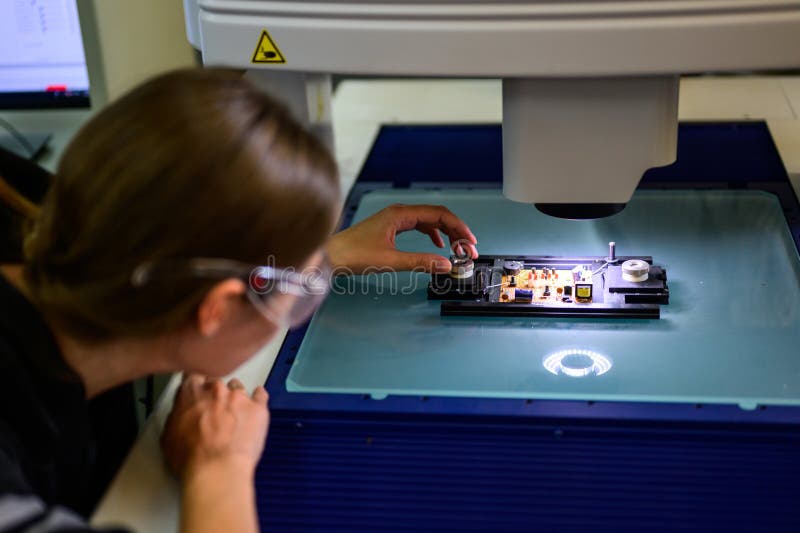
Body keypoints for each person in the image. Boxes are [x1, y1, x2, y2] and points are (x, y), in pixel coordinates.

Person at [0, 68, 478, 533]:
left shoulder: (46, 212)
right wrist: (218, 465)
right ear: (218, 310)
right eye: (297, 300)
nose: (300, 298)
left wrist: (318, 255)